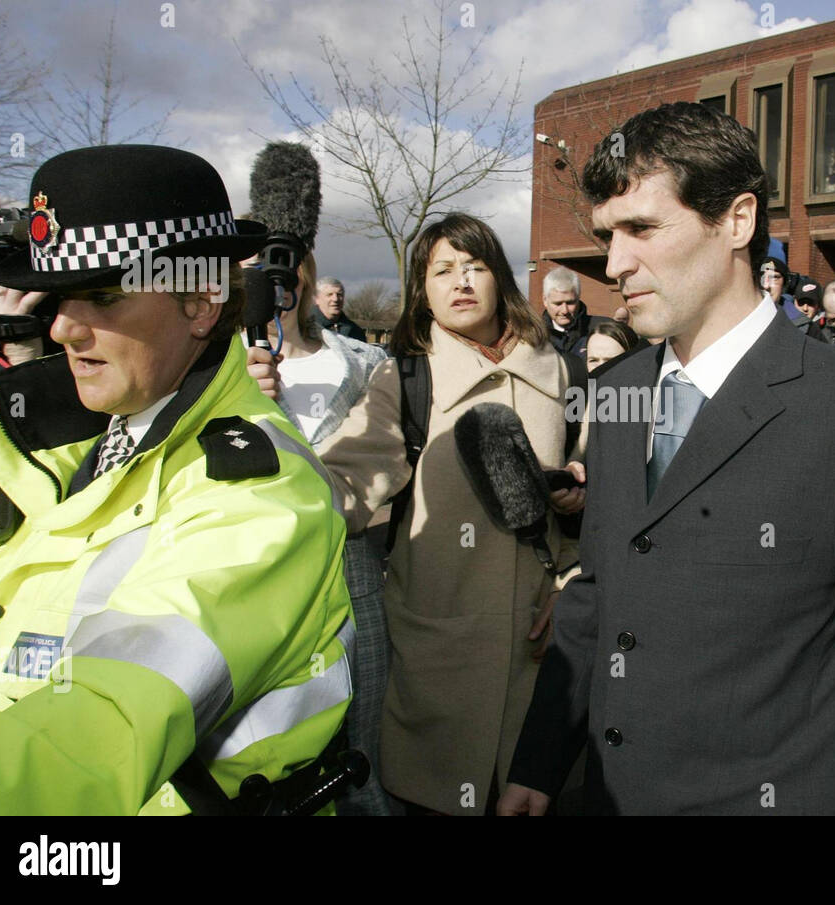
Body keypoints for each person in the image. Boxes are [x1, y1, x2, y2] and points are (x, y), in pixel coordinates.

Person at [498, 101, 835, 816]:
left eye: (643, 228)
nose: (615, 263)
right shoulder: (616, 395)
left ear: (737, 221)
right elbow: (598, 592)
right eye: (609, 234)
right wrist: (540, 761)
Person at [0, 145, 352, 814]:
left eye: (104, 295)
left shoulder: (259, 495)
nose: (61, 325)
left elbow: (95, 736)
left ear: (202, 299)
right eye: (60, 296)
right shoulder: (43, 448)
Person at [315, 212, 585, 816]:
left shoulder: (566, 372)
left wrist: (576, 579)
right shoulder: (406, 376)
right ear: (422, 289)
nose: (461, 280)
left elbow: (608, 504)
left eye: (476, 265)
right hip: (436, 656)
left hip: (540, 653)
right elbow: (344, 480)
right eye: (442, 270)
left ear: (501, 279)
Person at [245, 249, 390, 816]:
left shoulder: (360, 359)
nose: (273, 277)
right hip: (256, 582)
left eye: (284, 260)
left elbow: (385, 458)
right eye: (254, 265)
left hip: (349, 571)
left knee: (361, 752)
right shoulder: (212, 366)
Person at [541, 265, 609, 358]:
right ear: (545, 300)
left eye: (570, 303)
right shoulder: (533, 335)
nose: (564, 311)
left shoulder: (604, 329)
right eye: (558, 304)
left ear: (578, 298)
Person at [313, 277, 367, 341]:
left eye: (339, 294)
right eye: (329, 294)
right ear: (316, 299)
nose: (335, 299)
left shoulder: (355, 332)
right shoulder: (303, 329)